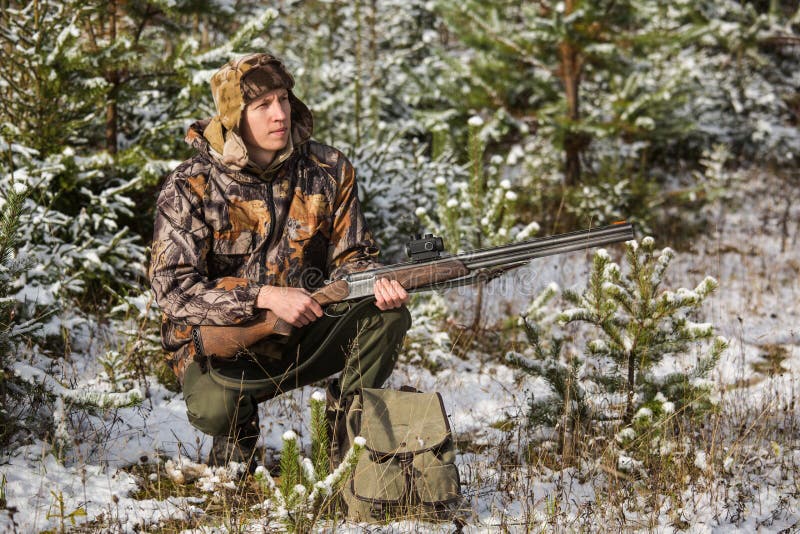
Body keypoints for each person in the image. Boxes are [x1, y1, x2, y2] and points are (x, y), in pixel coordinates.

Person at [149, 53, 411, 472]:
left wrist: (373, 284)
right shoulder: (189, 185)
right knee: (214, 408)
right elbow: (173, 290)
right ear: (235, 117)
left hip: (306, 325)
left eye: (283, 99)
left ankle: (344, 440)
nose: (279, 114)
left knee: (387, 317)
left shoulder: (327, 169)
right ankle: (238, 440)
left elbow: (353, 256)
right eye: (262, 105)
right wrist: (266, 297)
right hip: (223, 346)